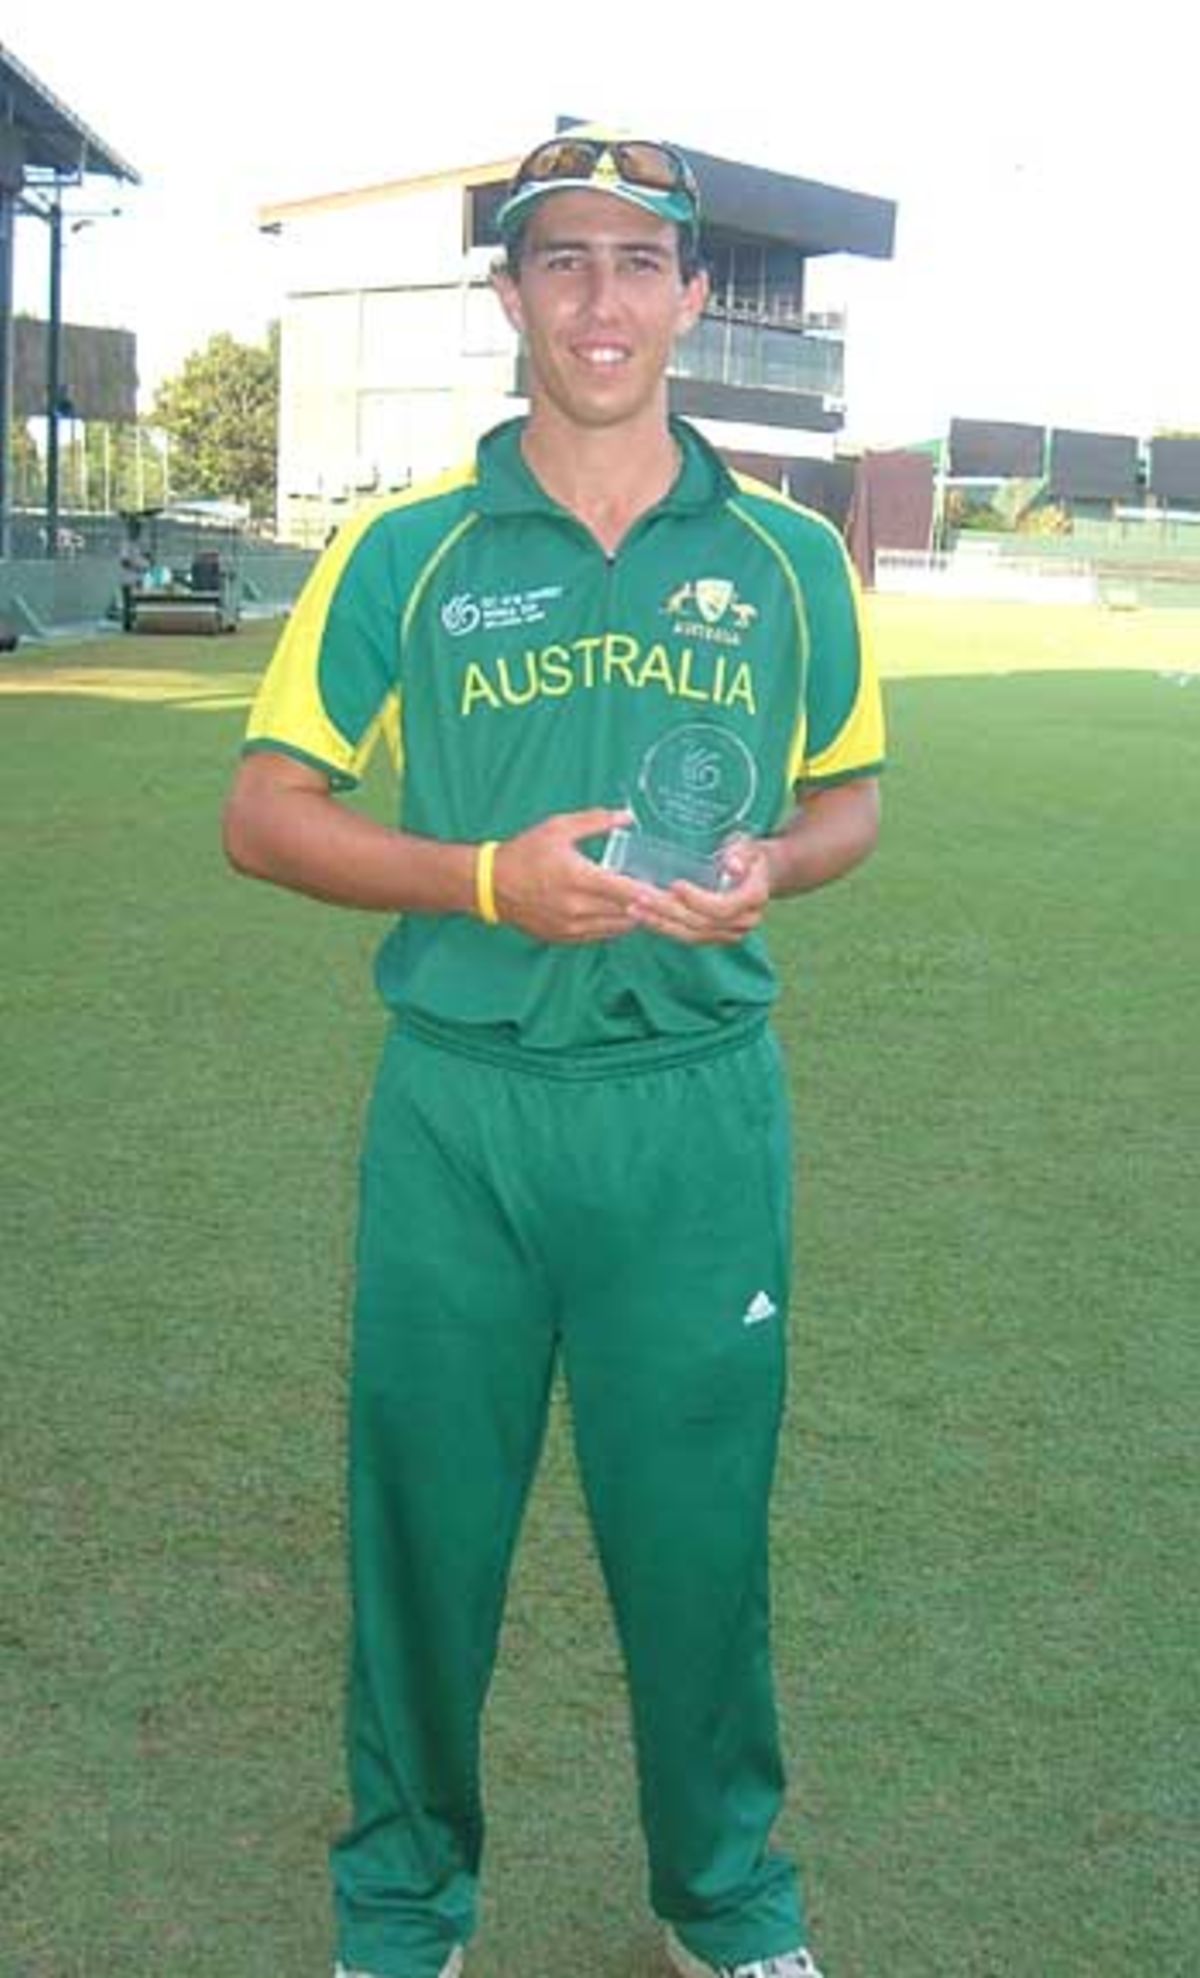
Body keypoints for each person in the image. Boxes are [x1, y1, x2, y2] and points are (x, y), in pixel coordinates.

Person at [223, 127, 884, 1978]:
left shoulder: (791, 559)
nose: (603, 298)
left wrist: (775, 867)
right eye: (564, 260)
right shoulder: (405, 550)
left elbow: (849, 799)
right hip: (463, 1116)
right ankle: (400, 1911)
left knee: (698, 1539)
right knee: (425, 1535)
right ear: (511, 294)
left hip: (693, 1124)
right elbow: (265, 812)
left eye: (638, 261)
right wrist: (480, 881)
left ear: (692, 295)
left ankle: (726, 1904)